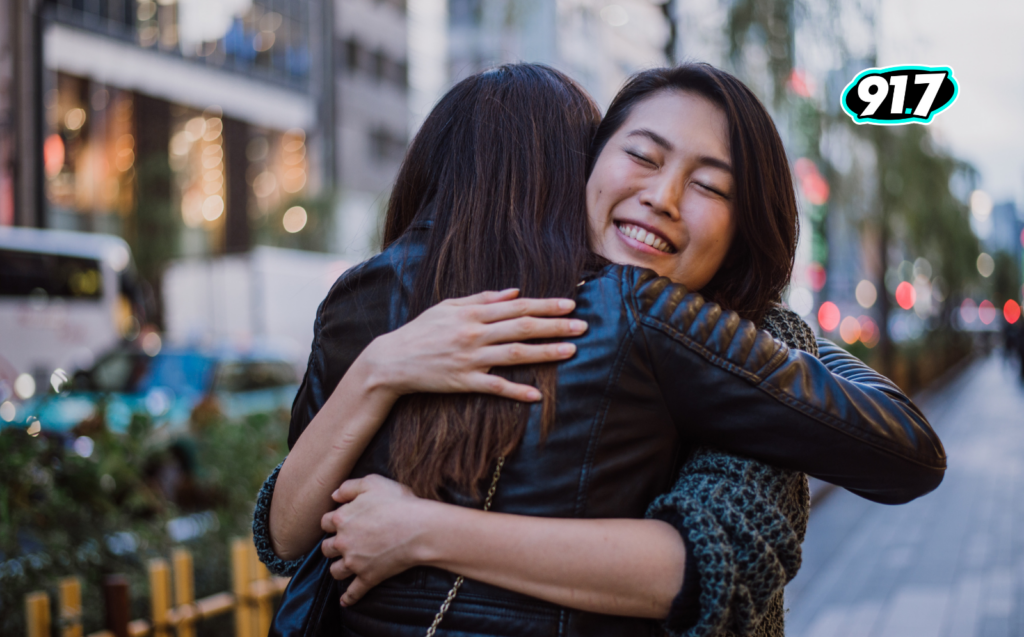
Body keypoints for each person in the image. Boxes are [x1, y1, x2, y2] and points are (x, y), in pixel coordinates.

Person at [255, 64, 945, 636]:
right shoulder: (616, 312)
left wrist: (423, 527)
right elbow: (291, 533)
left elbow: (706, 562)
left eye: (710, 185)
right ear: (582, 167)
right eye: (641, 155)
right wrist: (381, 368)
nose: (662, 196)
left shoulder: (364, 295)